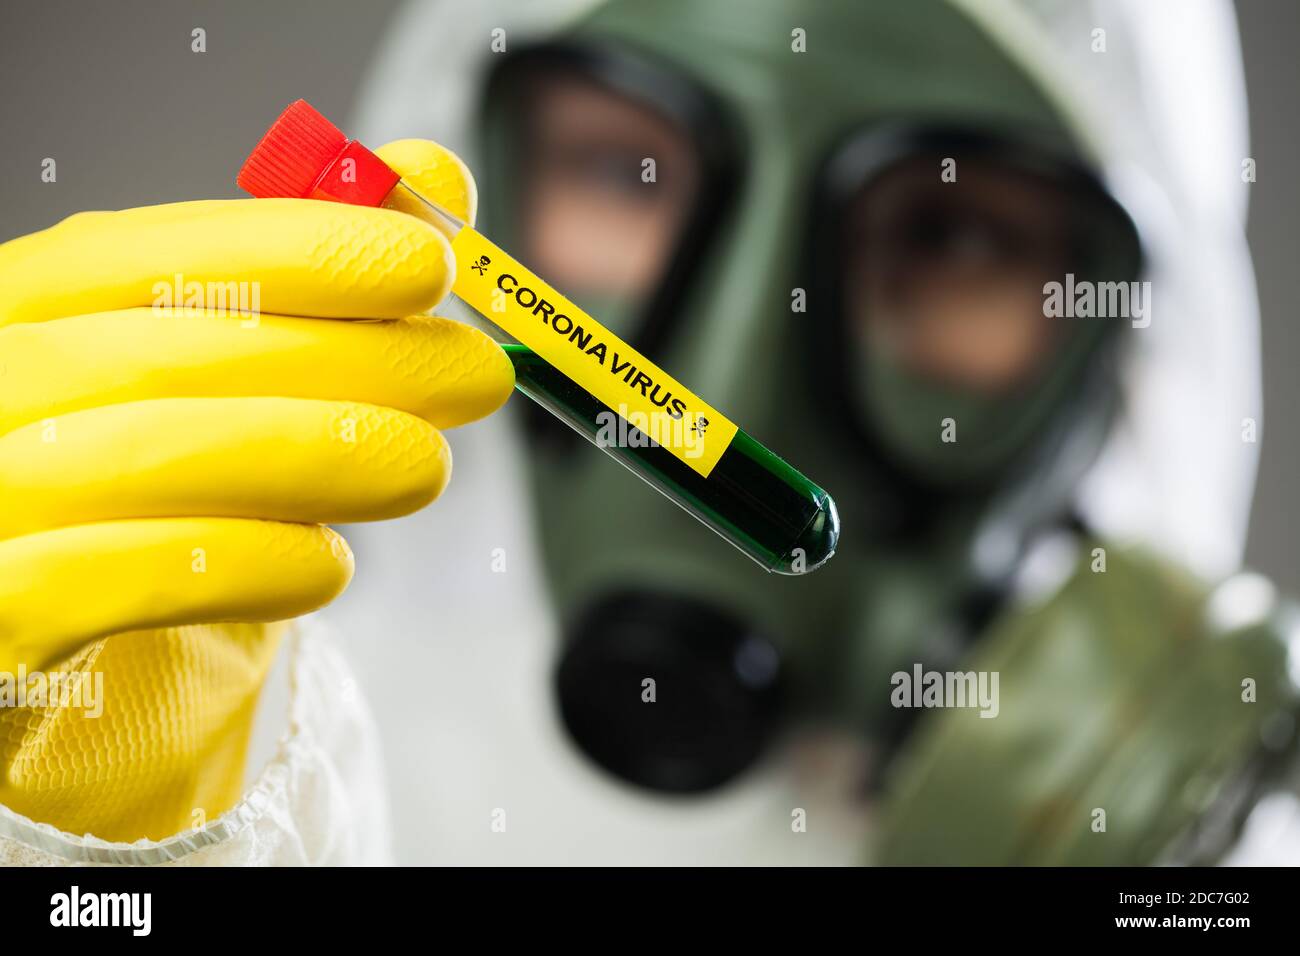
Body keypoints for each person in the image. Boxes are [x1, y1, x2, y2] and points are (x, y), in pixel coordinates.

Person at [1, 0, 1296, 866]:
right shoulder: (231, 751)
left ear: (1122, 359)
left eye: (954, 236)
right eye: (626, 172)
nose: (723, 395)